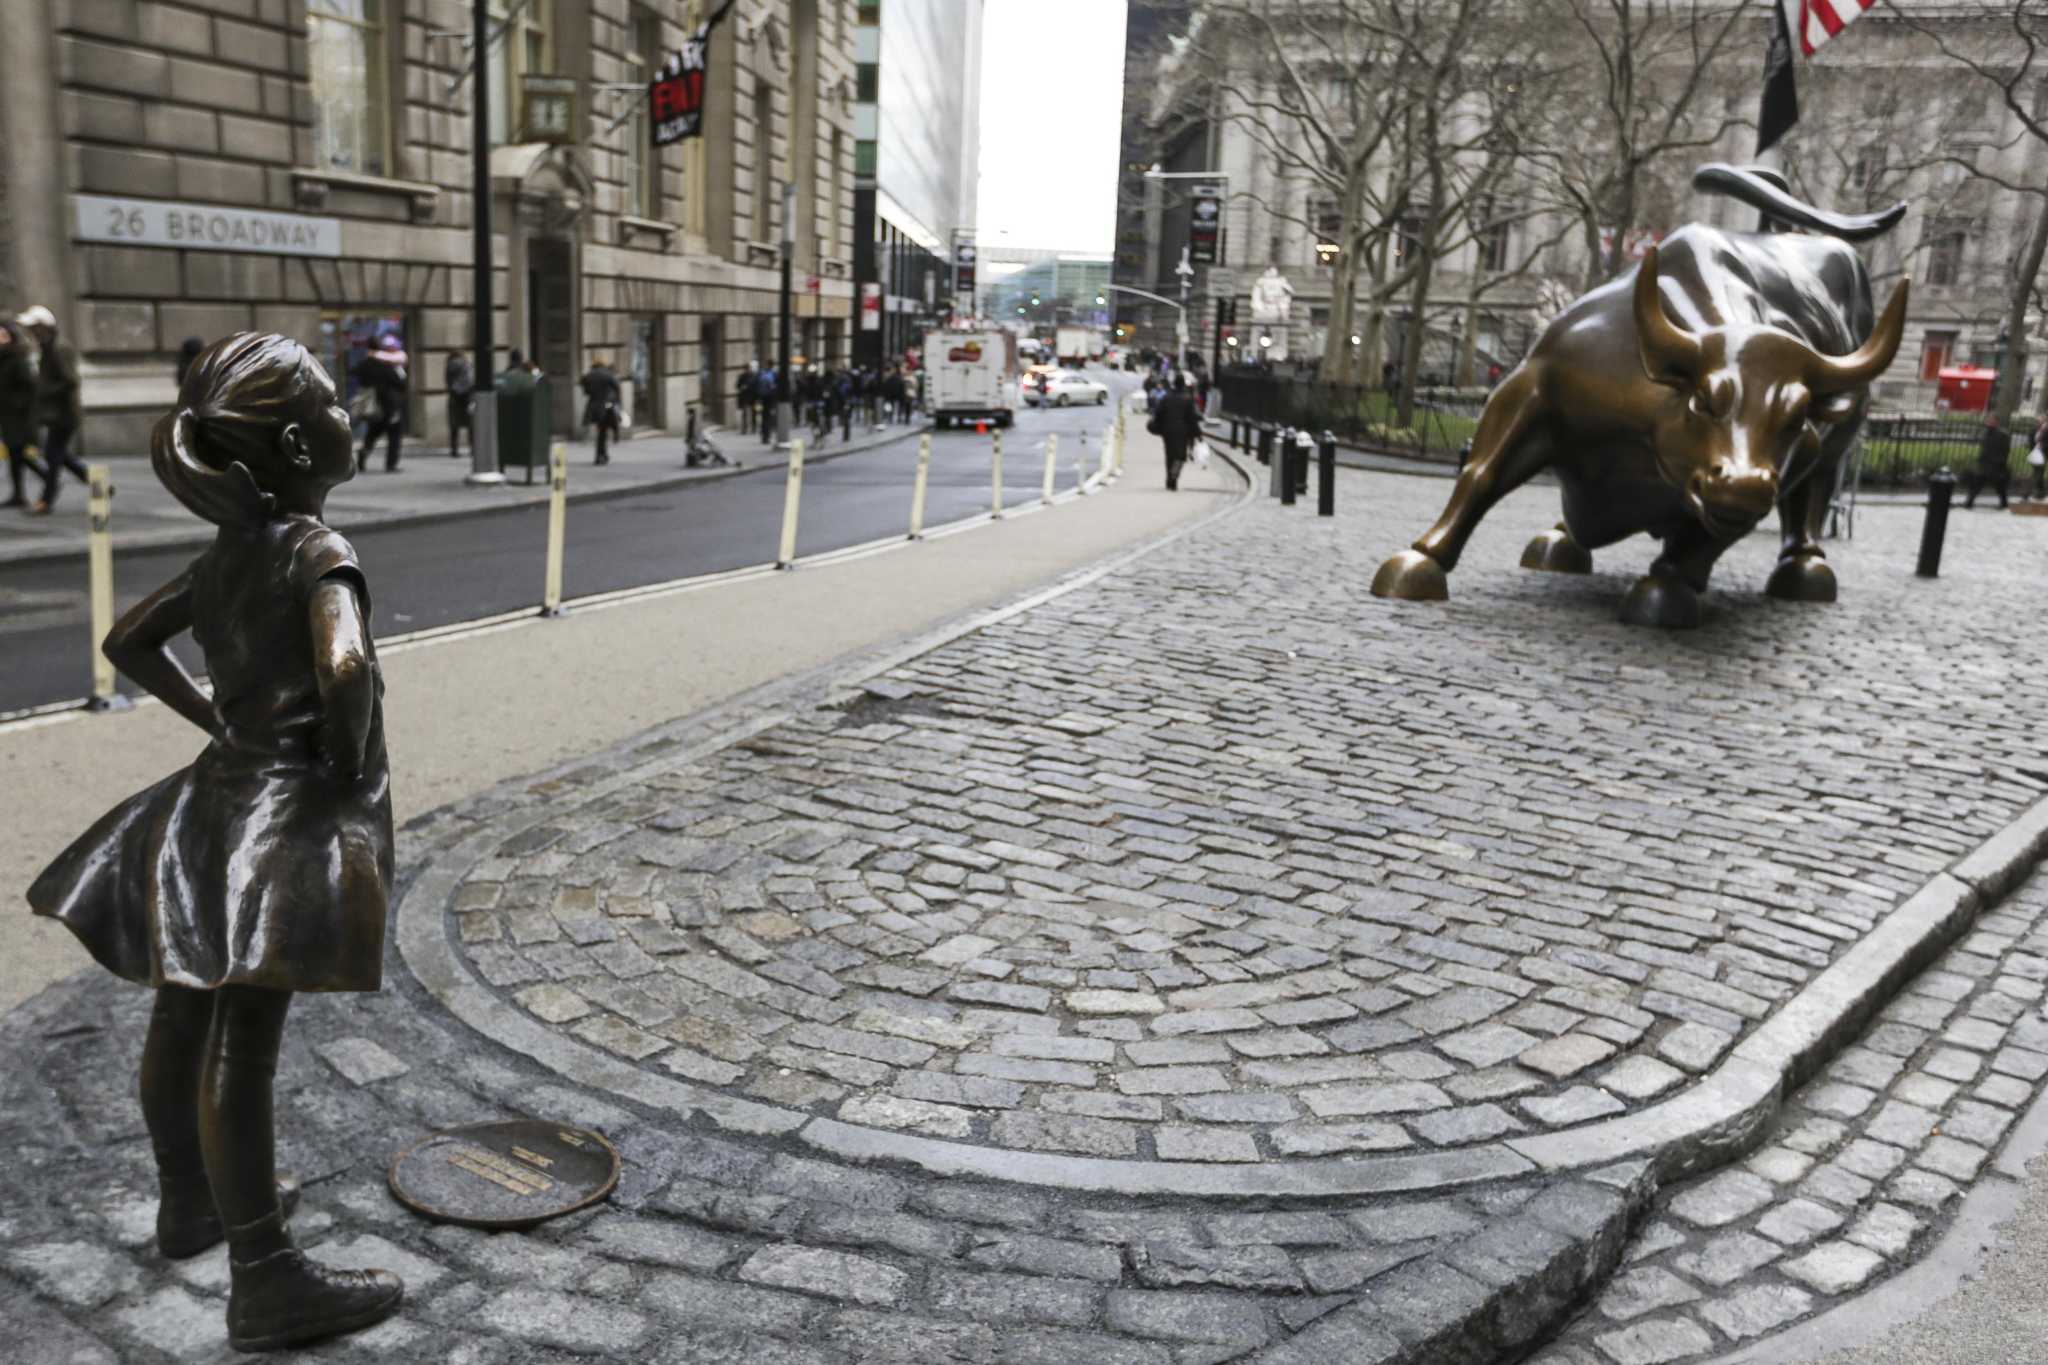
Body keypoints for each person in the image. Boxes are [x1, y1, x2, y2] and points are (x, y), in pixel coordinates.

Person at [27, 332, 405, 1351]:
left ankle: (188, 1205)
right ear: (295, 441)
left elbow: (127, 640)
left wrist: (217, 726)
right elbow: (347, 667)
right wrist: (343, 761)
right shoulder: (318, 550)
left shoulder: (229, 553)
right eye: (331, 403)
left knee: (181, 1013)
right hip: (279, 818)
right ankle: (268, 1276)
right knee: (244, 1042)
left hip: (211, 802)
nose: (345, 415)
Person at [21, 306, 88, 514]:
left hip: (65, 413)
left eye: (34, 327)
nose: (30, 332)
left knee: (53, 455)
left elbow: (71, 380)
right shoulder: (46, 347)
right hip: (54, 413)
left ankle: (46, 500)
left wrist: (44, 390)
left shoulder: (60, 348)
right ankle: (96, 481)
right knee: (58, 454)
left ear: (44, 327)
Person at [0, 317, 47, 509]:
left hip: (18, 417)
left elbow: (31, 388)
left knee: (19, 454)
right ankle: (18, 494)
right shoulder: (2, 359)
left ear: (11, 337)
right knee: (15, 455)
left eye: (3, 335)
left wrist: (19, 406)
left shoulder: (17, 358)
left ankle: (46, 477)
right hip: (6, 415)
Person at [351, 333, 408, 473]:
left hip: (372, 405)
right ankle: (391, 464)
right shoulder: (385, 364)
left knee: (373, 433)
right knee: (394, 434)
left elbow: (353, 372)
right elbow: (399, 383)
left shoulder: (365, 363)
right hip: (389, 404)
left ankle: (363, 453)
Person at [1148, 375, 1202, 492]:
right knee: (1181, 455)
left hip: (1167, 431)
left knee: (1169, 455)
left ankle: (1170, 478)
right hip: (1182, 431)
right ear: (1183, 385)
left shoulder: (1166, 398)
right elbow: (1192, 418)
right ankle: (1174, 475)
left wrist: (1158, 426)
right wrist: (1198, 433)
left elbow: (1158, 413)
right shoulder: (1187, 399)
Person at [580, 353, 623, 464]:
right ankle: (600, 456)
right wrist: (617, 401)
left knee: (601, 432)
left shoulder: (589, 375)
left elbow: (585, 388)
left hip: (593, 405)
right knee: (602, 433)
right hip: (605, 406)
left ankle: (603, 454)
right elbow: (617, 387)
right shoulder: (607, 374)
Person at [1965, 413, 2012, 510]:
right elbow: (1984, 447)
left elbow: (2005, 450)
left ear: (1996, 422)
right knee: (1977, 483)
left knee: (2000, 486)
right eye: (1988, 421)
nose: (1988, 422)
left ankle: (2004, 503)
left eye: (1991, 421)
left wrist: (2000, 461)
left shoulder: (2002, 435)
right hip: (1984, 464)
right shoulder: (1985, 433)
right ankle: (1969, 502)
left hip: (1996, 465)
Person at [445, 352, 474, 460]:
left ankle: (454, 449)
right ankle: (473, 448)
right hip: (467, 397)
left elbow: (447, 381)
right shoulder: (467, 364)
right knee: (471, 425)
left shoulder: (449, 365)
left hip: (454, 397)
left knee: (454, 426)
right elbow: (471, 380)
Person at [736, 362, 759, 434]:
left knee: (753, 413)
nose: (747, 370)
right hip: (745, 397)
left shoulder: (754, 376)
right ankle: (744, 428)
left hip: (753, 397)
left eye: (748, 368)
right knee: (745, 413)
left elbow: (756, 387)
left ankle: (753, 427)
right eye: (746, 369)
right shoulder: (742, 376)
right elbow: (737, 386)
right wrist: (741, 387)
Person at [2030, 415, 2047, 502]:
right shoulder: (2034, 430)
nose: (2039, 422)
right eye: (2038, 421)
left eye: (2041, 420)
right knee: (2036, 471)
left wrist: (2043, 446)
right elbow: (2030, 440)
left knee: (2039, 473)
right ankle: (2041, 492)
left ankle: (2036, 492)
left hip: (2043, 454)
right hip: (2035, 453)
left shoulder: (2046, 430)